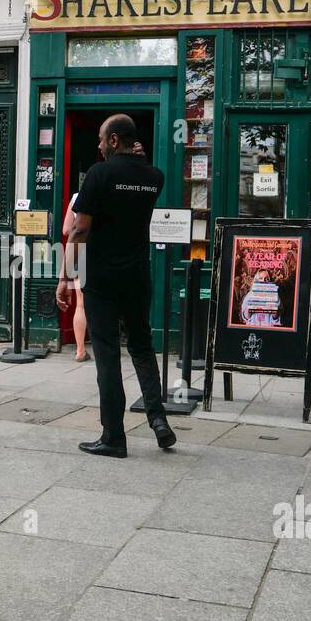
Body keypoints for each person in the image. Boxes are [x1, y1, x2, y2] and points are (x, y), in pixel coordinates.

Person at [57, 113, 176, 458]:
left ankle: (114, 436)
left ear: (113, 141)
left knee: (107, 354)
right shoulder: (155, 176)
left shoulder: (98, 174)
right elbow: (138, 180)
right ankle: (158, 420)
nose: (96, 144)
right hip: (138, 275)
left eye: (100, 138)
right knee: (141, 347)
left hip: (101, 277)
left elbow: (79, 229)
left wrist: (66, 276)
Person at [61, 193, 89, 362]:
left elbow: (66, 230)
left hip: (82, 253)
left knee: (81, 304)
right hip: (107, 255)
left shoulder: (77, 197)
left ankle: (80, 351)